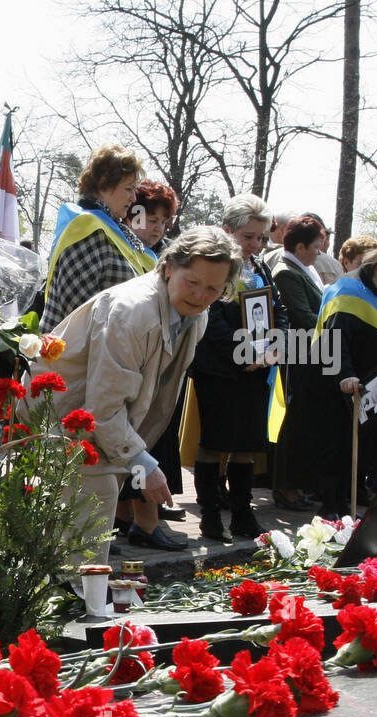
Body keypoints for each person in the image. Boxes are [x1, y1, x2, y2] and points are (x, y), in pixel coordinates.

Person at [28, 227, 243, 564]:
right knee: (92, 509)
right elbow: (104, 407)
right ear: (170, 266)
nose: (201, 295)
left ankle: (76, 594)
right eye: (193, 282)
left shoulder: (196, 315)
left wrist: (136, 458)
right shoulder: (132, 313)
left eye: (214, 288)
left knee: (81, 521)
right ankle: (79, 601)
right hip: (61, 414)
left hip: (95, 423)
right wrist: (142, 463)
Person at [281, 246, 377, 518]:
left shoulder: (376, 294)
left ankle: (348, 502)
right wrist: (345, 375)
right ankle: (333, 506)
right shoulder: (346, 291)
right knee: (336, 447)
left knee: (359, 447)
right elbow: (334, 338)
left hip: (366, 383)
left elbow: (376, 334)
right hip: (336, 383)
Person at [190, 194, 288, 542]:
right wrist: (245, 350)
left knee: (247, 445)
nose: (255, 244)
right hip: (219, 369)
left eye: (261, 237)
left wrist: (275, 346)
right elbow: (209, 317)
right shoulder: (212, 265)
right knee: (215, 444)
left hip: (257, 369)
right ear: (227, 230)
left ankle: (244, 516)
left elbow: (280, 312)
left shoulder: (260, 268)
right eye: (248, 237)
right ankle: (211, 518)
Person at [121, 178, 188, 543]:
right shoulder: (121, 247)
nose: (156, 226)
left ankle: (138, 516)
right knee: (132, 437)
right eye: (148, 216)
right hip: (128, 357)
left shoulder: (160, 256)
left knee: (149, 436)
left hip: (158, 361)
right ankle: (142, 522)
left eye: (164, 220)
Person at [39, 144, 154, 333]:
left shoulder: (115, 229)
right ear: (104, 185)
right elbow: (79, 313)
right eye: (129, 188)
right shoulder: (86, 228)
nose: (134, 198)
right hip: (76, 357)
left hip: (108, 354)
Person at [269, 215, 327, 510]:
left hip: (311, 357)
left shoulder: (303, 268)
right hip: (297, 358)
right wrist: (337, 325)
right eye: (317, 245)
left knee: (302, 424)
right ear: (301, 246)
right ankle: (285, 487)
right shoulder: (286, 271)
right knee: (291, 424)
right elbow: (303, 316)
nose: (320, 251)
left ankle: (297, 484)